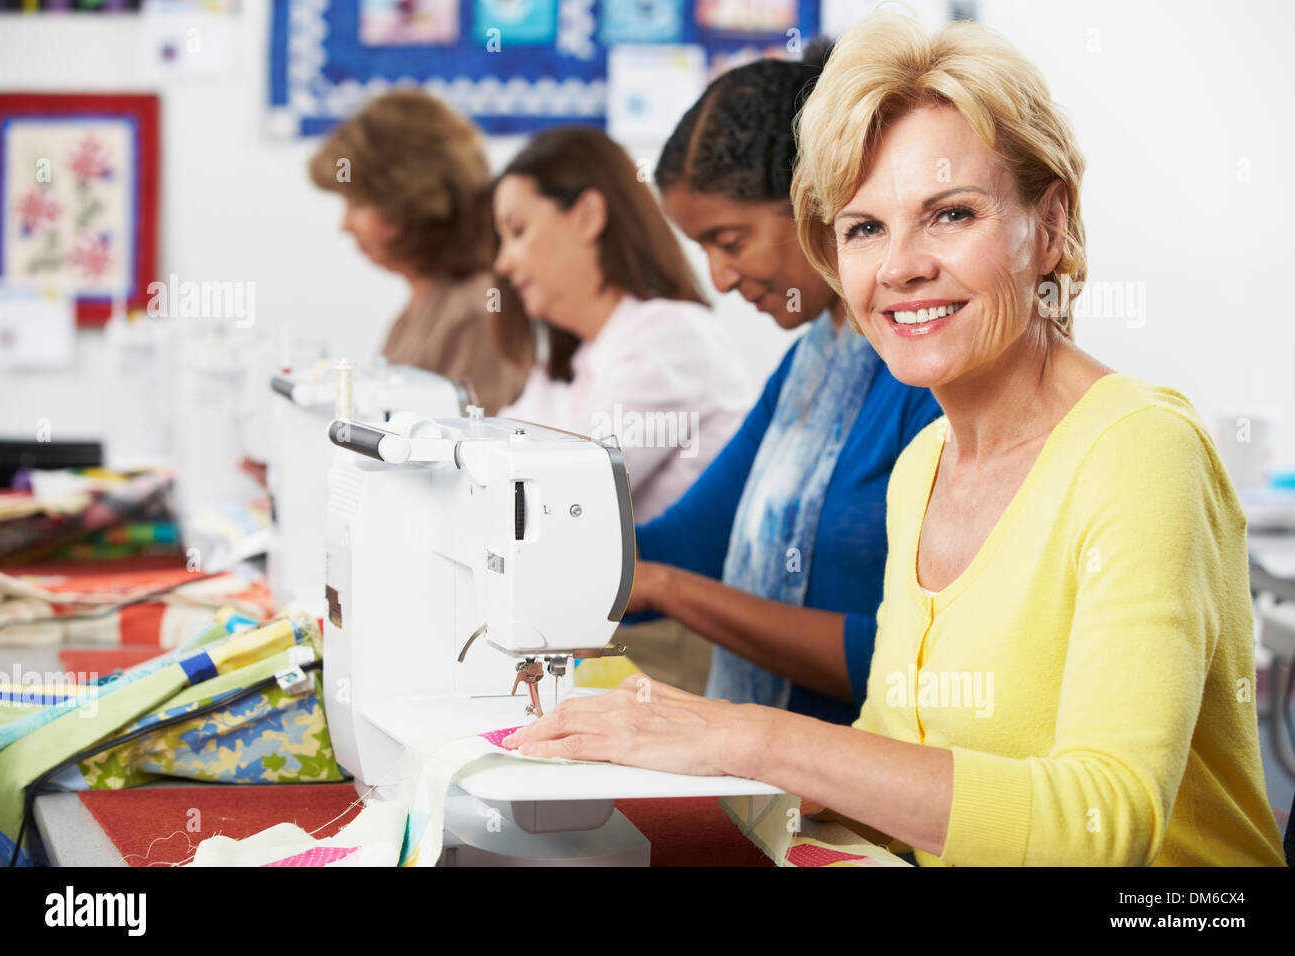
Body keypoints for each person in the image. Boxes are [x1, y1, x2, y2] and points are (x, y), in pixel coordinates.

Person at [505, 13, 1287, 866]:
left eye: (951, 214)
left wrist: (750, 741)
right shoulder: (925, 466)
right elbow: (887, 760)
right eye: (864, 228)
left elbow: (1101, 826)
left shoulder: (1140, 451)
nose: (900, 266)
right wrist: (664, 772)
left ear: (1049, 225)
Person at [615, 43, 942, 721]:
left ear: (816, 200)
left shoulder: (929, 377)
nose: (720, 278)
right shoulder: (815, 366)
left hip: (868, 798)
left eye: (730, 241)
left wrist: (671, 590)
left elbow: (902, 661)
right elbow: (687, 543)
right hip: (781, 782)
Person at [492, 127, 753, 524]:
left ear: (588, 216)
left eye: (518, 232)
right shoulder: (572, 360)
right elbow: (489, 457)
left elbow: (556, 501)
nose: (502, 263)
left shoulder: (670, 337)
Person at [309, 90, 530, 413]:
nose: (344, 225)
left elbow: (471, 448)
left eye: (357, 204)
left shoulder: (475, 313)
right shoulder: (423, 303)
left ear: (405, 202)